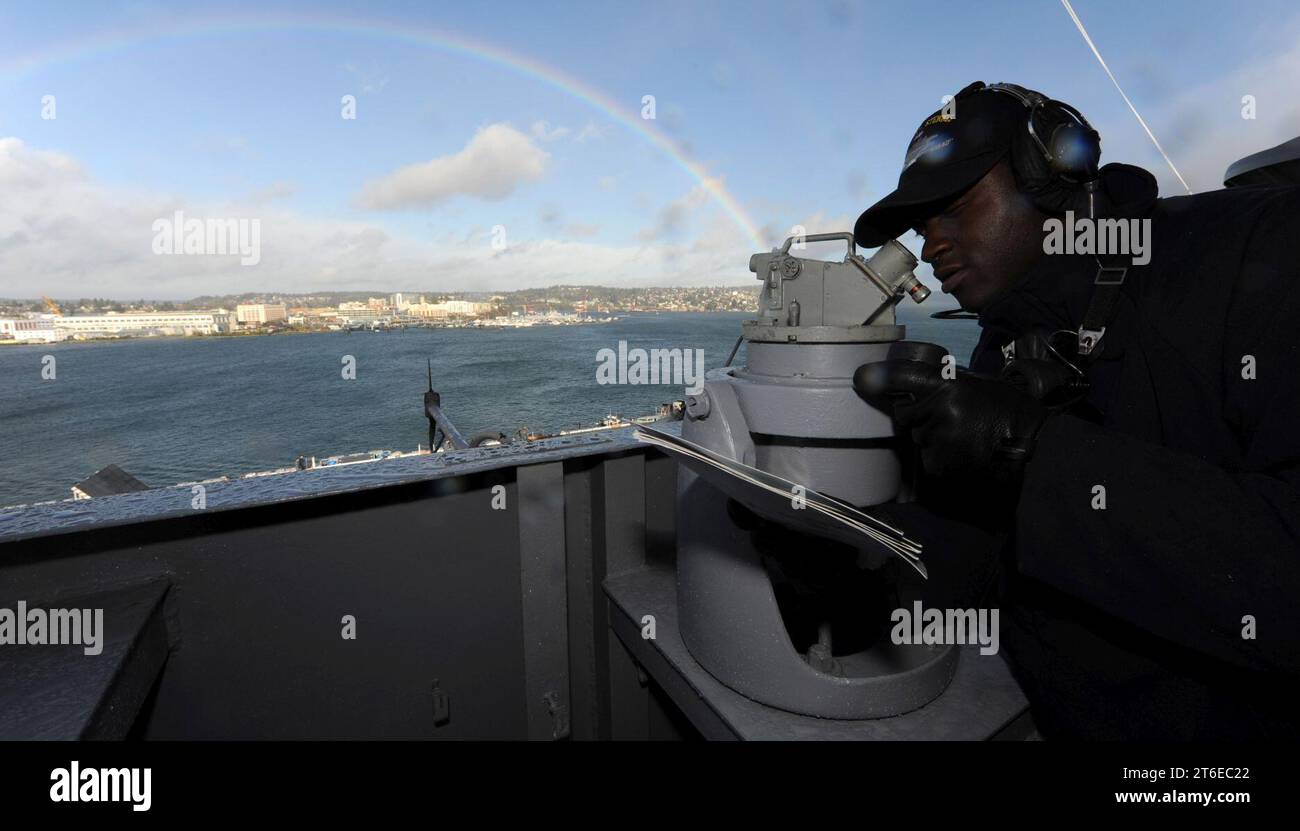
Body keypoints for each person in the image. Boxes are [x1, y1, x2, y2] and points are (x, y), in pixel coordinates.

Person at [852, 81, 1300, 740]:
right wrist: (859, 561)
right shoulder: (1004, 341)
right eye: (923, 226)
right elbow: (990, 562)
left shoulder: (1257, 252)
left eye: (955, 207)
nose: (932, 244)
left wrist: (1035, 456)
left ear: (1054, 169)